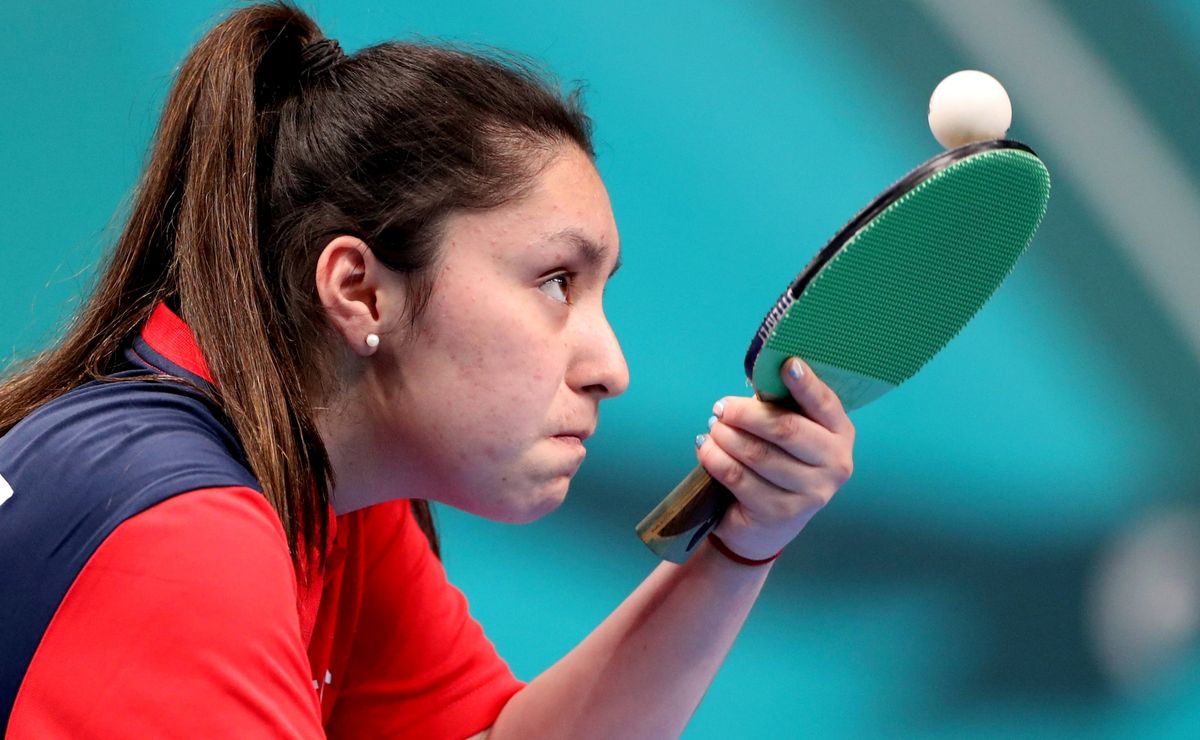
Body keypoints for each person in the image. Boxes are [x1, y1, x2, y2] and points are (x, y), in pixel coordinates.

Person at [0, 2, 855, 737]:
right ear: (360, 292)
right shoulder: (187, 548)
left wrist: (741, 547)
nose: (611, 368)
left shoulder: (314, 481)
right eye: (557, 282)